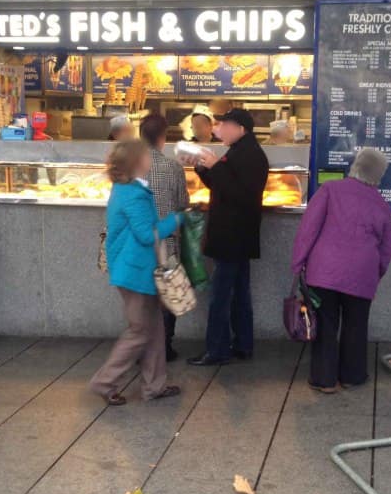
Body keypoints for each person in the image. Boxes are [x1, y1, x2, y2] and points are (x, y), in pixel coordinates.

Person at [291, 148, 391, 394]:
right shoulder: (381, 204)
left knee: (325, 325)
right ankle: (352, 376)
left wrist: (298, 264)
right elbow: (386, 248)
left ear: (355, 165)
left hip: (324, 272)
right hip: (362, 274)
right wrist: (375, 273)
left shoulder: (330, 190)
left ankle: (324, 380)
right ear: (379, 174)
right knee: (356, 325)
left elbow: (308, 230)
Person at [89, 139, 184, 405]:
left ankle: (154, 386)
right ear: (136, 162)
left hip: (137, 269)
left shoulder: (128, 189)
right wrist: (176, 220)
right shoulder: (132, 194)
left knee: (154, 330)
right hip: (135, 272)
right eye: (146, 156)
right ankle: (104, 382)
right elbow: (147, 234)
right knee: (140, 331)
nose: (150, 159)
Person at [188, 108, 269, 366]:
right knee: (239, 293)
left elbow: (243, 195)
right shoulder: (241, 151)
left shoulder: (250, 155)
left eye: (224, 124)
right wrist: (203, 170)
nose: (218, 129)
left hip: (233, 236)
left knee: (221, 296)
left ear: (240, 128)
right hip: (237, 237)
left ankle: (218, 349)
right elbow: (225, 186)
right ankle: (243, 345)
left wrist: (215, 167)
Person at [140, 112, 189, 363]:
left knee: (144, 296)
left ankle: (143, 345)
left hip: (138, 242)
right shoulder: (172, 167)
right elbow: (183, 203)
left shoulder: (132, 166)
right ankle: (165, 346)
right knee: (167, 294)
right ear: (163, 137)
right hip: (166, 240)